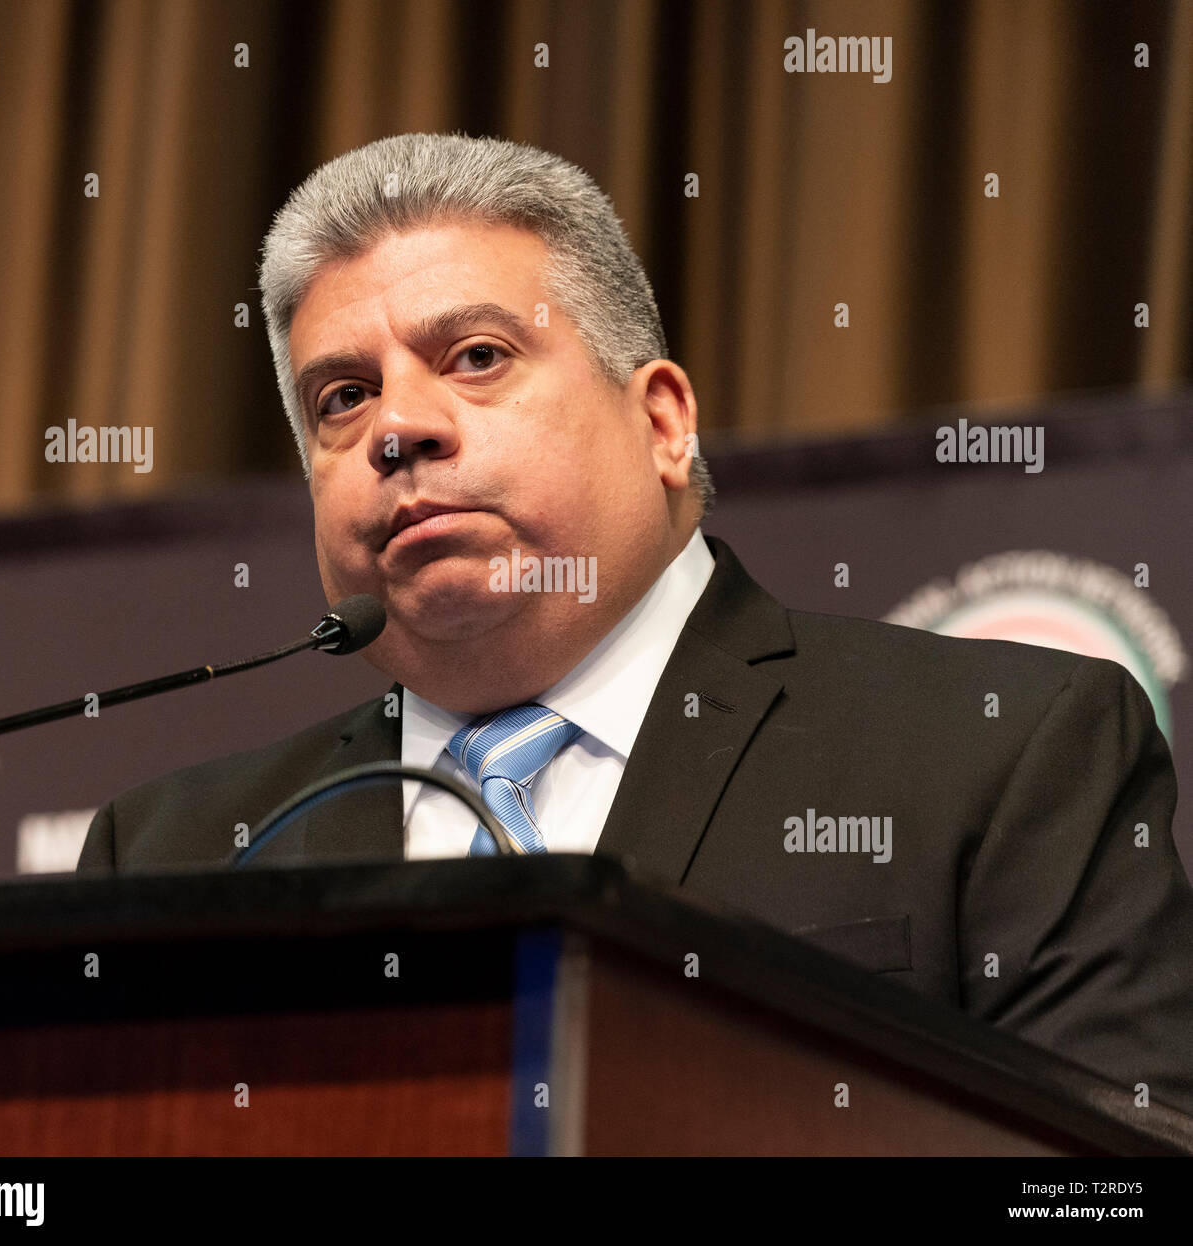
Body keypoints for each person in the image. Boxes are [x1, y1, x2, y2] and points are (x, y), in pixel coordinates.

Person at [78, 132, 1193, 1117]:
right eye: (341, 397)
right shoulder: (174, 853)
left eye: (476, 356)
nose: (398, 427)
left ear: (661, 420)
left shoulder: (1000, 753)